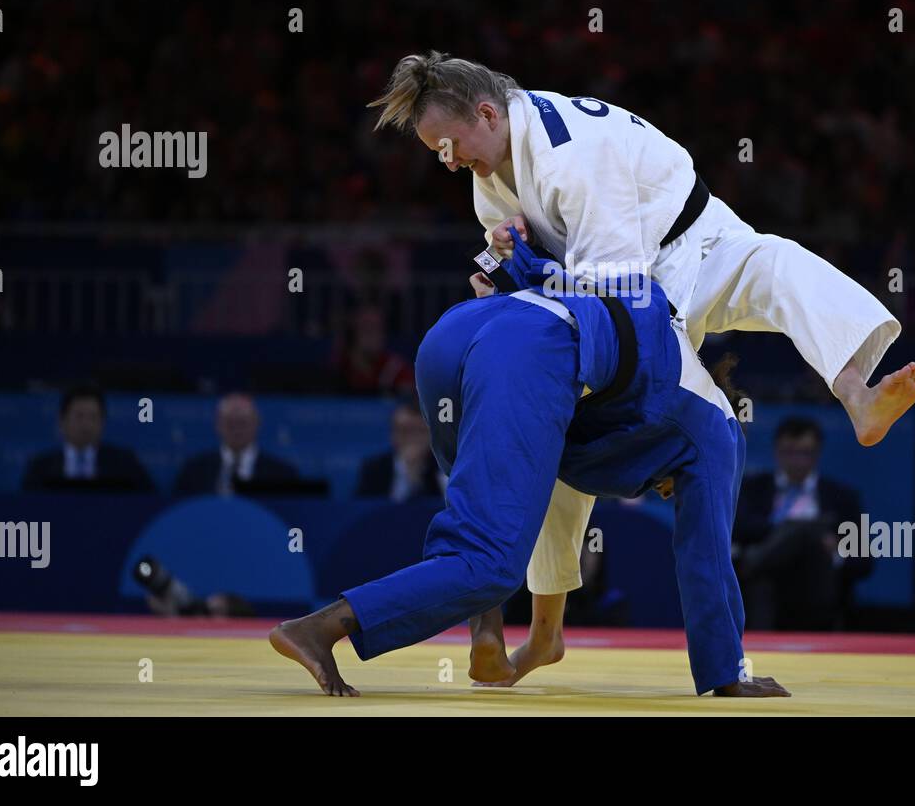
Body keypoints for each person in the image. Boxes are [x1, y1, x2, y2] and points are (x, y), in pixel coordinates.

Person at [366, 51, 915, 661]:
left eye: (450, 145)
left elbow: (619, 299)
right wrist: (500, 273)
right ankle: (547, 633)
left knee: (777, 263)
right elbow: (537, 283)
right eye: (436, 154)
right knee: (551, 419)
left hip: (691, 249)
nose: (449, 162)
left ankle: (853, 391)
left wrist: (526, 278)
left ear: (487, 112)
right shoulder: (490, 174)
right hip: (614, 285)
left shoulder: (571, 153)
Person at [269, 231, 788, 698]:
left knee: (476, 524)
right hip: (524, 351)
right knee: (490, 562)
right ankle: (324, 626)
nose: (663, 492)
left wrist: (541, 640)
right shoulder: (714, 428)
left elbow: (558, 510)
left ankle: (486, 632)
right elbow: (707, 555)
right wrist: (727, 671)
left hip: (458, 333)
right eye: (670, 489)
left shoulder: (620, 397)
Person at [733, 416, 872, 630]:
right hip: (767, 581)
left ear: (817, 454)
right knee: (802, 532)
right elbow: (738, 530)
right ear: (776, 451)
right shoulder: (752, 489)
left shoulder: (842, 498)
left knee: (805, 536)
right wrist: (787, 530)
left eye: (805, 453)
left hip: (818, 582)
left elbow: (865, 562)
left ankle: (759, 559)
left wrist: (836, 553)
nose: (797, 461)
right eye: (789, 452)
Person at [22, 383, 154, 492]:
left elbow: (149, 502)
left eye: (93, 418)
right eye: (79, 417)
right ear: (62, 421)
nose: (86, 426)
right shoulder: (40, 468)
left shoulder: (125, 464)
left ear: (102, 423)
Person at [173, 393, 299, 495]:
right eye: (230, 423)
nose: (237, 429)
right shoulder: (194, 472)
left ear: (257, 423)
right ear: (218, 425)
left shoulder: (282, 475)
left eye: (243, 422)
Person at [355, 399, 446, 500]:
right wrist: (406, 475)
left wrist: (417, 478)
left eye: (420, 431)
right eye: (406, 431)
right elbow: (362, 510)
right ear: (393, 434)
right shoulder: (375, 468)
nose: (413, 439)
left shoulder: (443, 468)